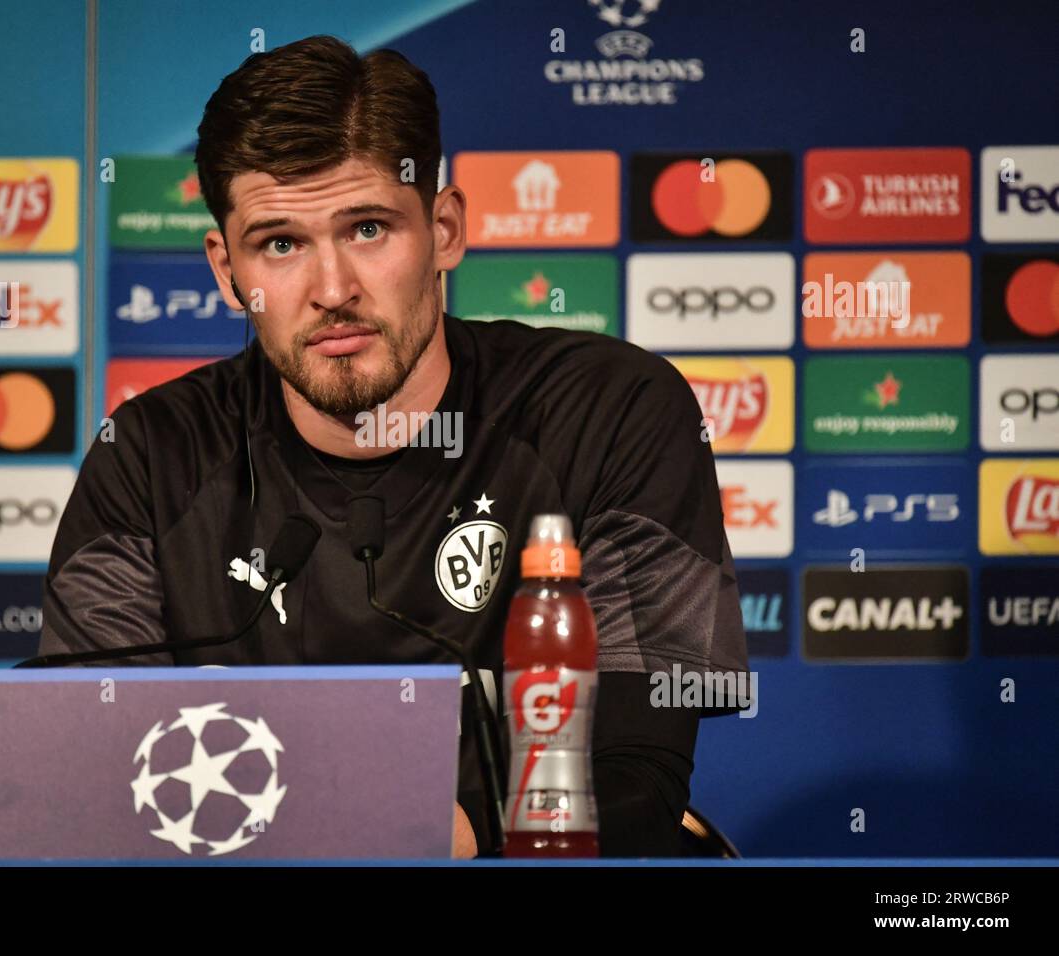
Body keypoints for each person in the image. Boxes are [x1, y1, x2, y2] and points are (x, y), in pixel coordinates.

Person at [39, 34, 750, 858]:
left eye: (369, 228)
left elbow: (637, 783)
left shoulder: (609, 411)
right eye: (280, 244)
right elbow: (94, 790)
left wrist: (389, 838)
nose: (333, 289)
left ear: (444, 230)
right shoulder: (148, 454)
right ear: (227, 270)